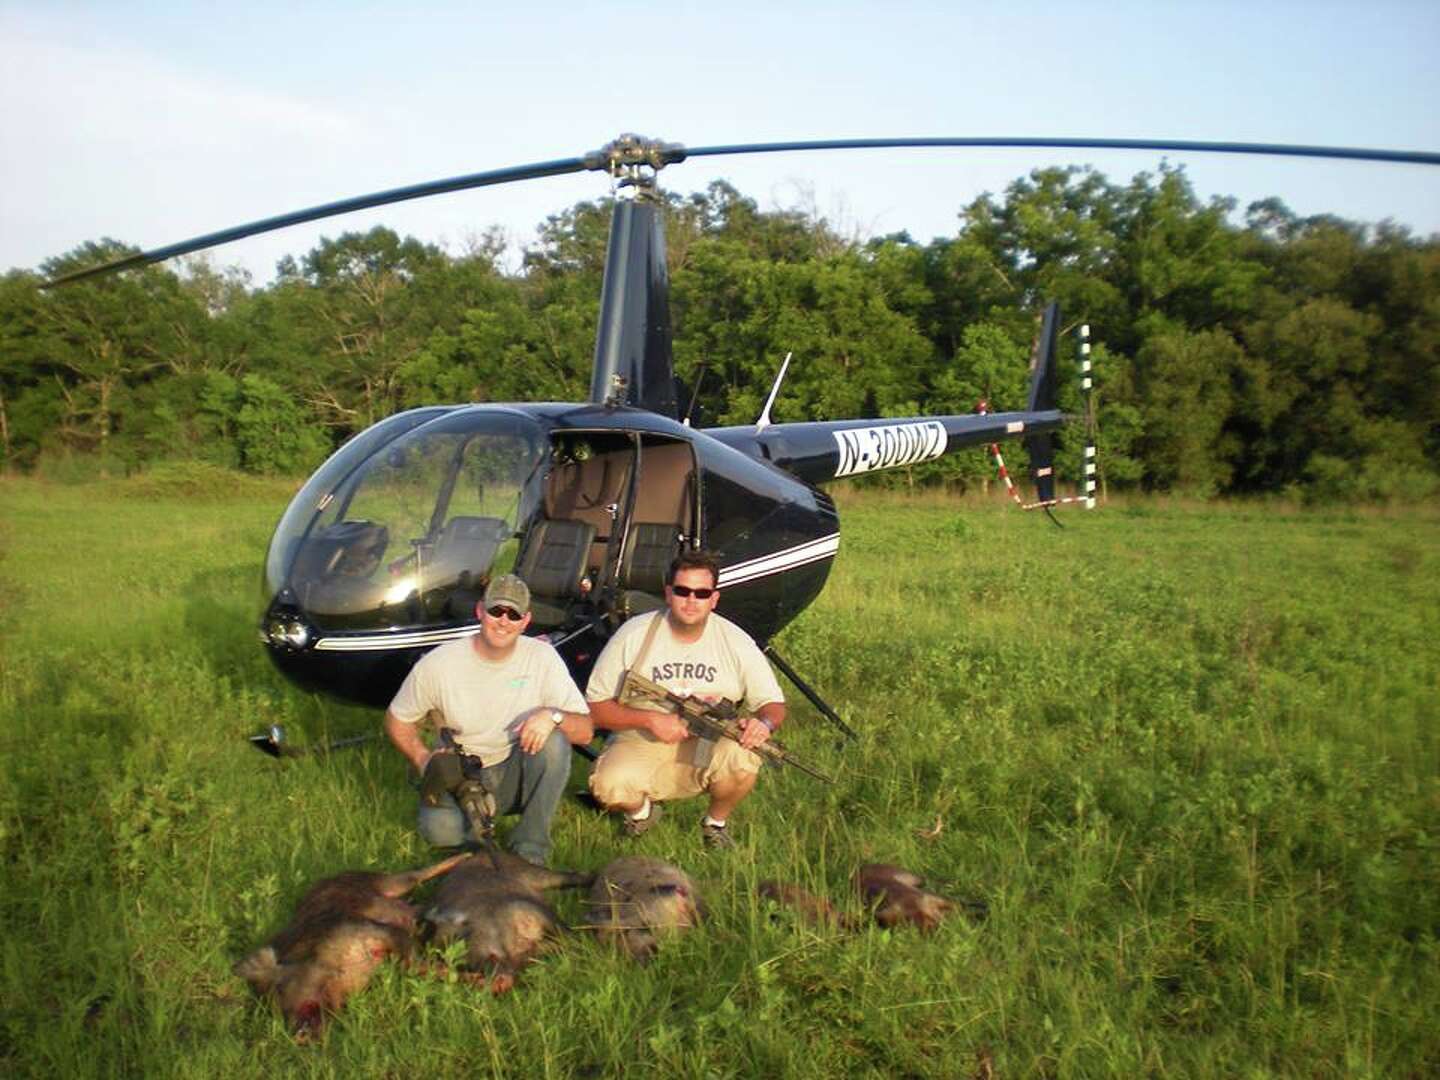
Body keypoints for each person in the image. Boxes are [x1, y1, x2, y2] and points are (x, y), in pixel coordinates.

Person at [384, 573, 592, 866]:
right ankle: (471, 847)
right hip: (462, 775)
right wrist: (423, 759)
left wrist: (552, 716)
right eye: (496, 611)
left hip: (514, 768)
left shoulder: (543, 658)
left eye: (513, 614)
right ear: (480, 611)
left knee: (555, 743)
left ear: (526, 620)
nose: (503, 621)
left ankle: (530, 852)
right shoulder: (438, 664)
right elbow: (397, 720)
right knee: (441, 834)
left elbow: (585, 731)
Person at [585, 550, 786, 849]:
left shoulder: (736, 641)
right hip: (641, 738)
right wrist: (649, 720)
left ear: (714, 599)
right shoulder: (634, 634)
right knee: (608, 786)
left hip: (709, 740)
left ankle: (715, 825)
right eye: (682, 591)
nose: (691, 600)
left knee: (744, 757)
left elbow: (774, 704)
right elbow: (595, 708)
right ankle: (642, 814)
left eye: (701, 593)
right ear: (668, 593)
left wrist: (763, 724)